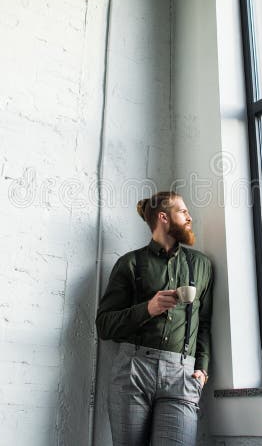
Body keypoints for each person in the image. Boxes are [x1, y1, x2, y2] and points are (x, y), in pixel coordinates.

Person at [96, 191, 213, 446]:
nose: (189, 217)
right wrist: (148, 308)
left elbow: (203, 323)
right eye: (183, 211)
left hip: (182, 374)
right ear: (164, 217)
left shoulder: (201, 265)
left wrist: (202, 370)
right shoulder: (129, 264)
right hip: (133, 371)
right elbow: (104, 326)